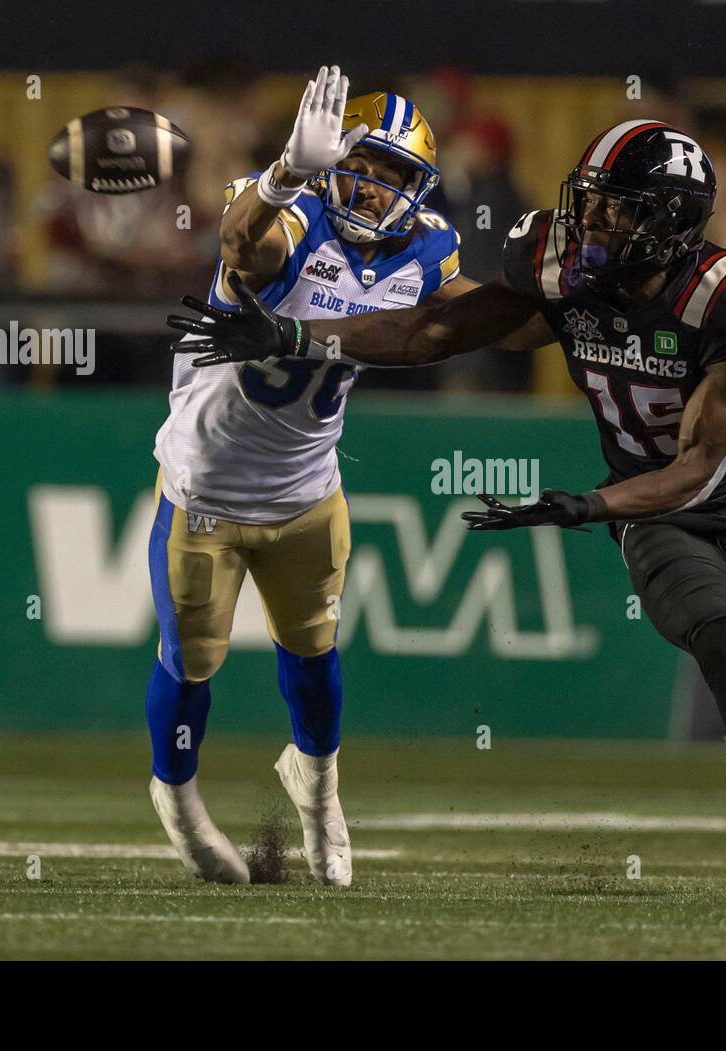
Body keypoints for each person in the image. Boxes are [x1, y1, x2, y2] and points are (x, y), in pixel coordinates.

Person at [169, 119, 726, 904]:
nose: (594, 222)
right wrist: (293, 333)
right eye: (591, 201)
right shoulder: (556, 263)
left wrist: (587, 504)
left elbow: (699, 466)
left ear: (672, 224)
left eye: (620, 210)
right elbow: (432, 331)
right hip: (657, 515)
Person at [148, 66, 466, 887]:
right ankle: (178, 804)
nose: (373, 185)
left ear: (418, 187)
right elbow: (241, 245)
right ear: (331, 160)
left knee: (317, 664)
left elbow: (464, 316)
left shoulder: (428, 249)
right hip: (205, 494)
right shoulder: (292, 218)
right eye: (364, 163)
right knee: (190, 664)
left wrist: (560, 295)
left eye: (395, 174)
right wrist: (285, 171)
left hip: (305, 493)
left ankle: (320, 795)